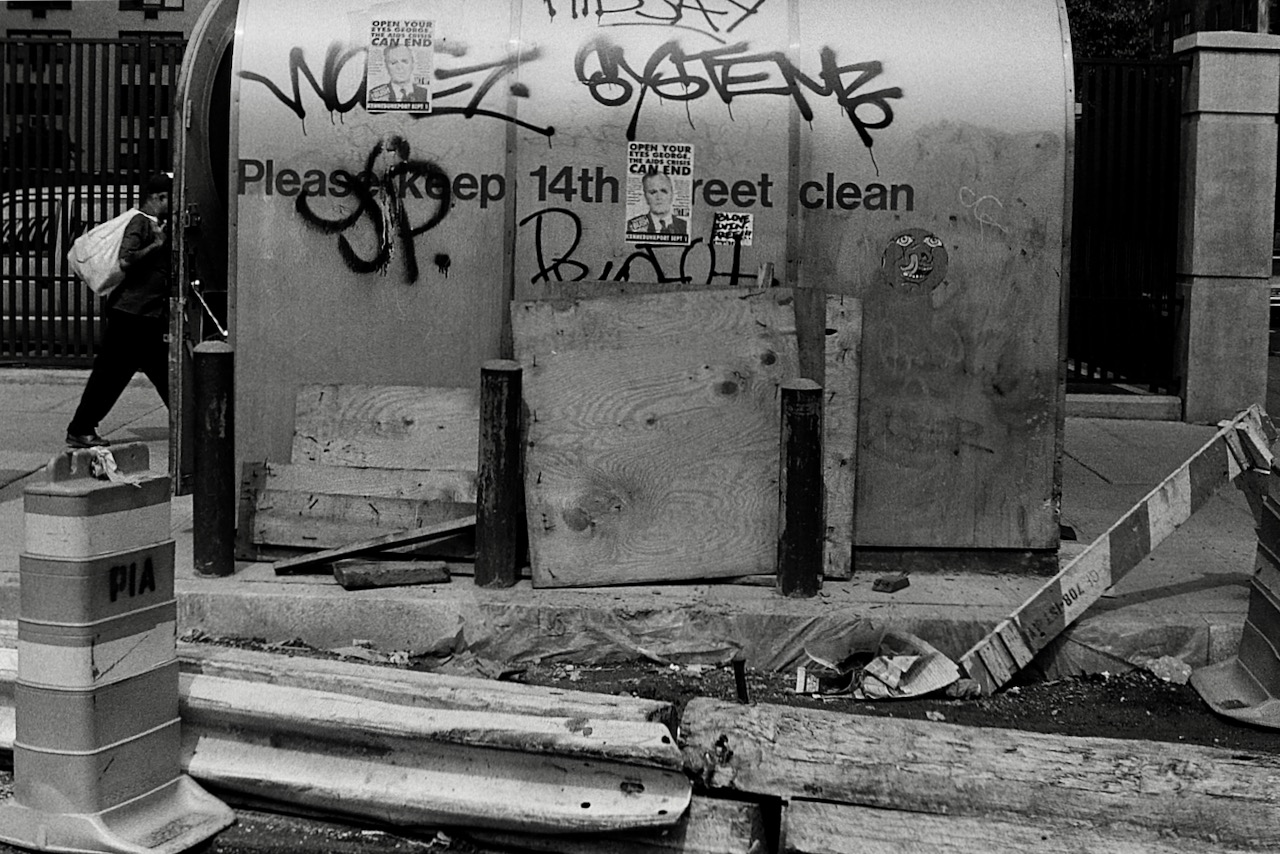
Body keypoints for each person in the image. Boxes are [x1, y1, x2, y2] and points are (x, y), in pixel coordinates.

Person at [65, 173, 172, 448]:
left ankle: (190, 428)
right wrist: (157, 245)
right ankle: (80, 428)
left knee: (162, 374)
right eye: (170, 198)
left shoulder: (155, 224)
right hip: (133, 315)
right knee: (111, 375)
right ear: (158, 198)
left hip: (145, 315)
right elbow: (126, 260)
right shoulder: (141, 222)